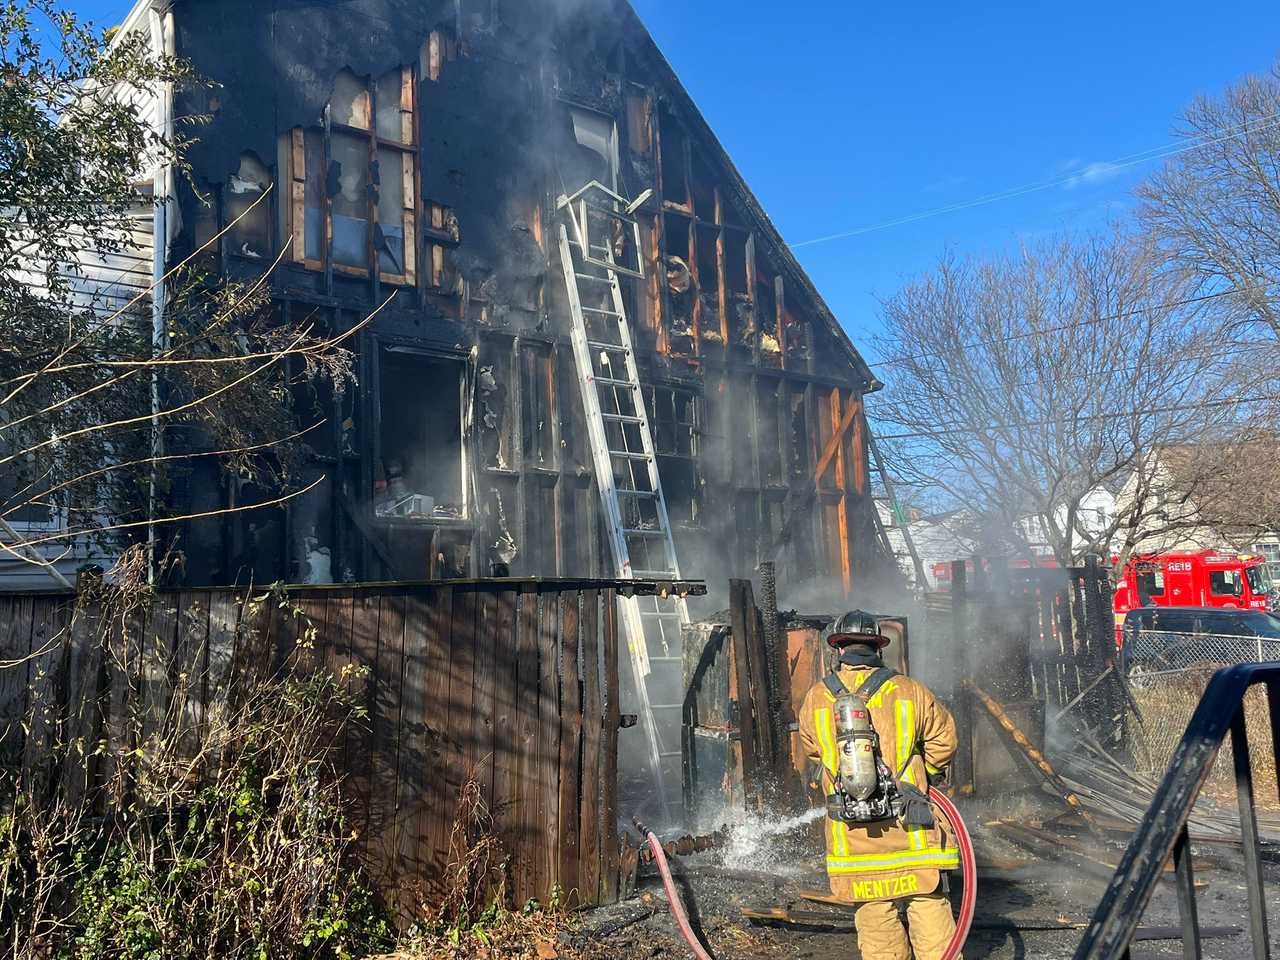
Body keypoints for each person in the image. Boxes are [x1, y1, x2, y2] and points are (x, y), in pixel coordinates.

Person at [799, 610, 961, 960]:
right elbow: (944, 740)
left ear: (838, 650)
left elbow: (813, 751)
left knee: (874, 912)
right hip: (910, 825)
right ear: (878, 647)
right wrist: (926, 774)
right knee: (926, 900)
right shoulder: (909, 690)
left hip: (853, 832)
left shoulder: (816, 698)